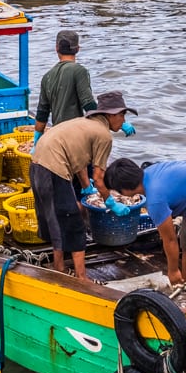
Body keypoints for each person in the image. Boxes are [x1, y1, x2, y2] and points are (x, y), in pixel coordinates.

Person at [29, 91, 136, 279]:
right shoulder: (104, 135)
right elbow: (99, 177)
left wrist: (87, 187)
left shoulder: (83, 124)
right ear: (111, 115)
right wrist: (110, 203)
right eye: (122, 115)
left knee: (55, 218)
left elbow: (77, 159)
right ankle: (81, 277)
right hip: (54, 169)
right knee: (74, 223)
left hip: (37, 165)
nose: (123, 119)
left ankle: (59, 266)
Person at [104, 158, 186, 286]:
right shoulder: (149, 172)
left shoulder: (155, 201)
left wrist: (173, 271)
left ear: (126, 189)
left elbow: (170, 240)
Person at [34, 30, 99, 141]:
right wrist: (113, 120)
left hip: (57, 135)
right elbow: (88, 104)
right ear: (77, 49)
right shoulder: (79, 71)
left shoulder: (47, 77)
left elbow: (42, 113)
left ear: (56, 48)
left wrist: (37, 139)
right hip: (75, 135)